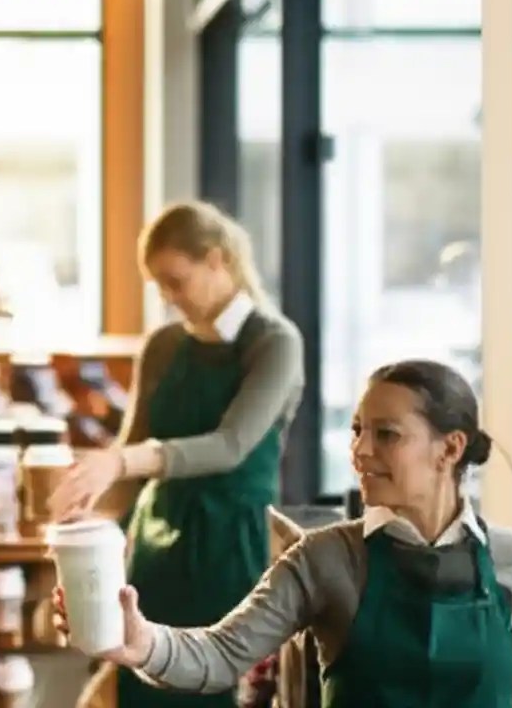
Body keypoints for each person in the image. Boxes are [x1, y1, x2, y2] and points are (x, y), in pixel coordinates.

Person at [53, 360, 512, 708]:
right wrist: (139, 644)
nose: (360, 450)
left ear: (450, 449)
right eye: (356, 430)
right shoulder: (325, 558)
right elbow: (220, 655)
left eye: (386, 434)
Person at [47, 200, 305, 707]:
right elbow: (133, 447)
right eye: (159, 286)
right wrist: (86, 519)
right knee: (133, 676)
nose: (168, 298)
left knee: (213, 685)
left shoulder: (274, 343)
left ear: (216, 260)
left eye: (176, 281)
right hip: (156, 543)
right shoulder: (164, 345)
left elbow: (230, 446)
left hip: (233, 550)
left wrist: (120, 461)